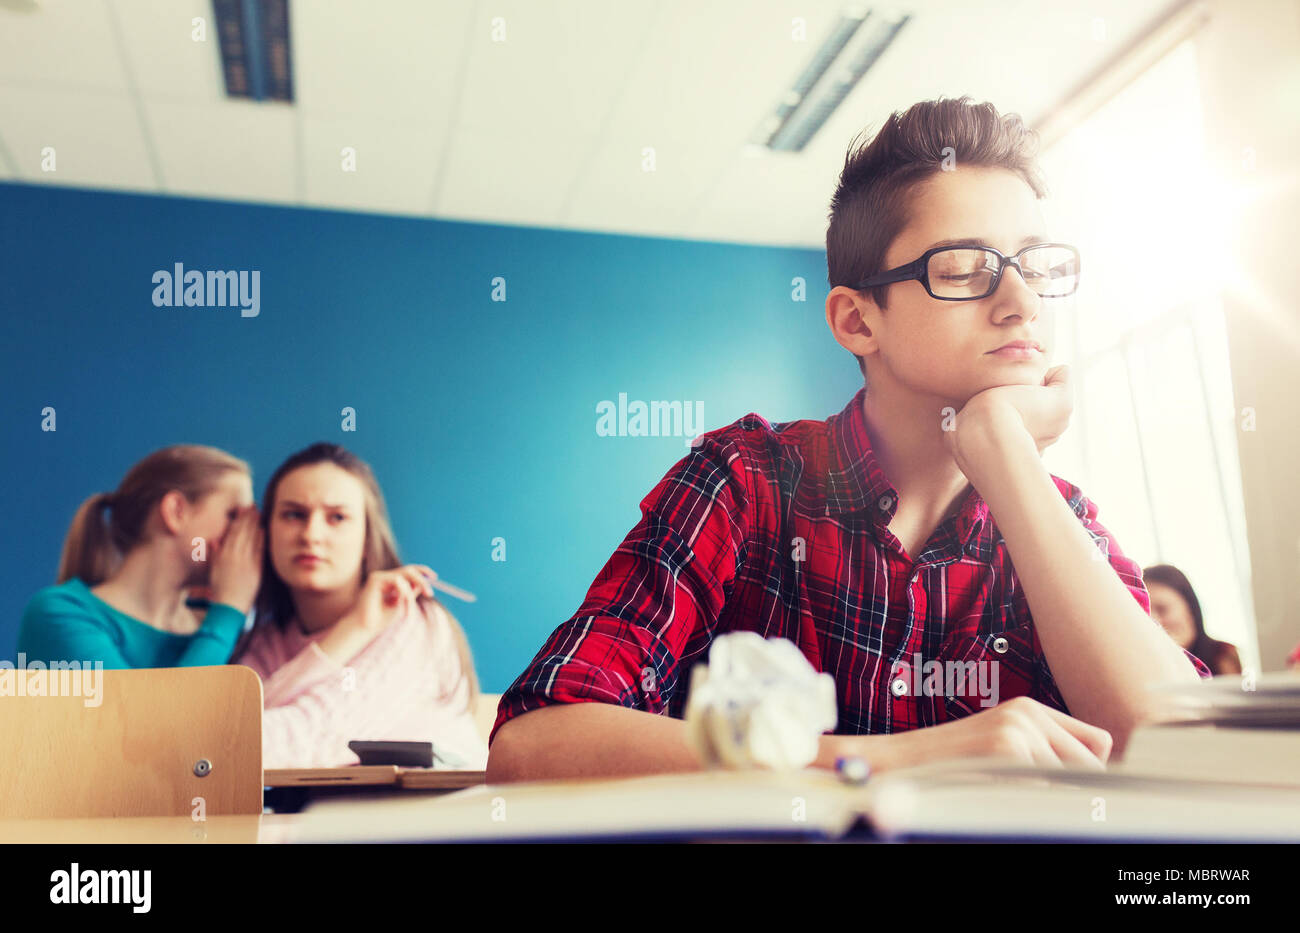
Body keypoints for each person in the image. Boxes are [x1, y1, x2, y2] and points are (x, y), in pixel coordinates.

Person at [487, 97, 1211, 784]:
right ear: (858, 321)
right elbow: (535, 743)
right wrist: (905, 762)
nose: (1021, 302)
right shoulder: (745, 482)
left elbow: (1186, 758)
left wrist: (1008, 458)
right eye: (965, 269)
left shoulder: (1059, 523)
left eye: (1035, 266)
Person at [232, 443, 487, 770]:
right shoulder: (266, 642)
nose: (312, 534)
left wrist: (362, 627)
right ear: (266, 533)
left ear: (367, 537)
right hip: (320, 818)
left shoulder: (412, 619)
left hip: (437, 815)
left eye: (337, 517)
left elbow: (295, 742)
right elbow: (227, 737)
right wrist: (353, 630)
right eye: (294, 514)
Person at [18, 445, 262, 668]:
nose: (245, 536)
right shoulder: (59, 615)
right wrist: (230, 609)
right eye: (233, 516)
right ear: (176, 511)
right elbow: (148, 717)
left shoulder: (216, 629)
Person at [1142, 564, 1241, 675]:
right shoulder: (1144, 663)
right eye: (1146, 613)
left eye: (1162, 609)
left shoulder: (1222, 654)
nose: (1154, 621)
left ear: (1190, 609)